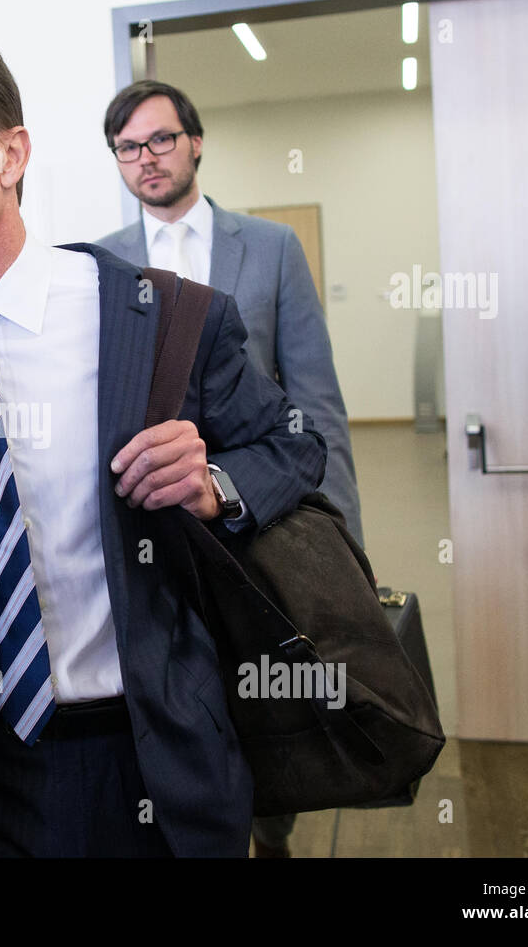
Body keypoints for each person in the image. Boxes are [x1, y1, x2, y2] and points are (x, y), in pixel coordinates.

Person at [0, 35, 326, 857]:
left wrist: (214, 481)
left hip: (146, 761)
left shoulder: (158, 318)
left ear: (10, 153)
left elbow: (295, 446)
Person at [96, 80, 365, 858]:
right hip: (159, 533)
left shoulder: (271, 247)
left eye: (160, 140)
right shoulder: (99, 264)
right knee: (187, 694)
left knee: (272, 687)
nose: (145, 159)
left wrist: (342, 537)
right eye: (127, 148)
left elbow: (315, 403)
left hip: (259, 510)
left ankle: (274, 826)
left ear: (196, 142)